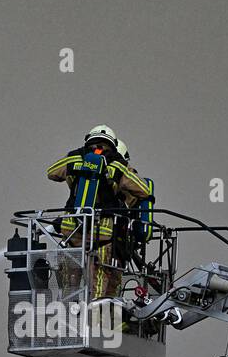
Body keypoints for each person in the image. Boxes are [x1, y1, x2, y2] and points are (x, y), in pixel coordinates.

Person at [45, 126, 153, 303]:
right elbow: (144, 190)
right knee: (100, 281)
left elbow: (51, 172)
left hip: (72, 231)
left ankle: (68, 314)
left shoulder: (74, 158)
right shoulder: (118, 165)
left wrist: (75, 168)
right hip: (101, 235)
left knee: (69, 283)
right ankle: (96, 318)